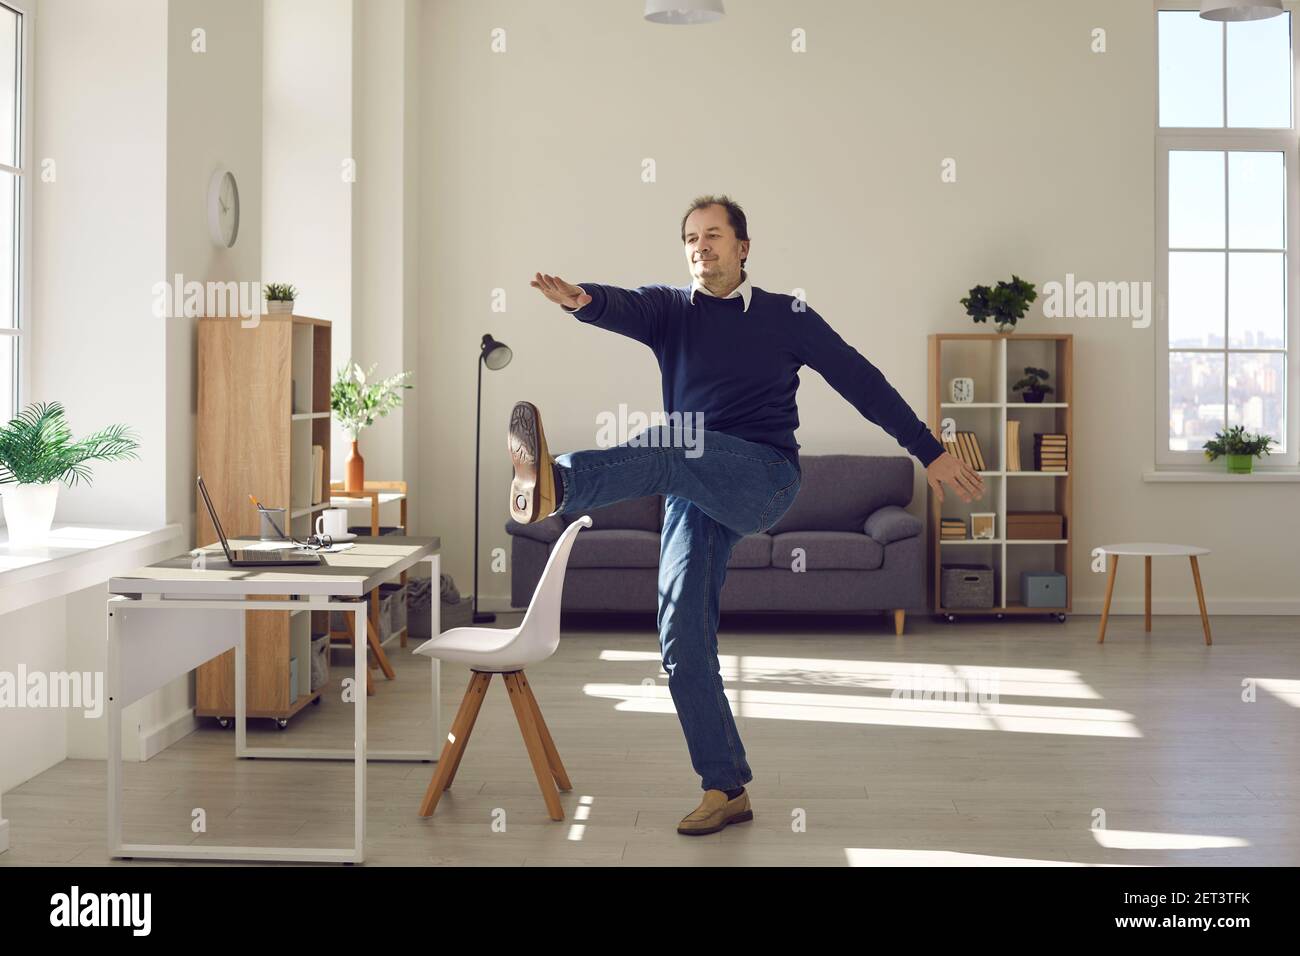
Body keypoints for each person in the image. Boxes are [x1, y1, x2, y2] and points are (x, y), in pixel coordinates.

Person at [511, 194, 984, 836]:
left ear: (743, 247)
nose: (700, 247)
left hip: (763, 477)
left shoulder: (786, 315)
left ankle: (558, 484)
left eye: (713, 235)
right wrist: (579, 301)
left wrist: (928, 450)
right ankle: (725, 785)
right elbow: (618, 305)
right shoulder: (670, 310)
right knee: (679, 636)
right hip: (693, 486)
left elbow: (861, 380)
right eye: (690, 238)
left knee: (679, 439)